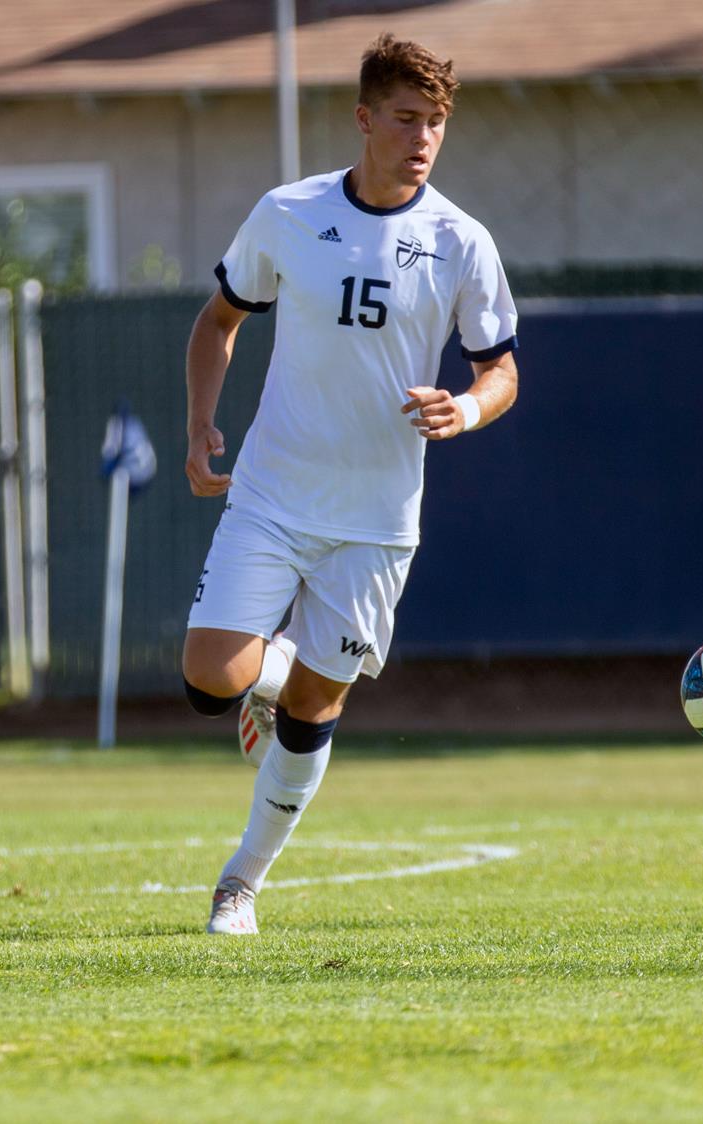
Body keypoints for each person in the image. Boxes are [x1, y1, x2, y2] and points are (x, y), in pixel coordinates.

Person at [178, 32, 521, 935]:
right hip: (273, 493)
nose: (422, 138)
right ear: (364, 119)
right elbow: (217, 322)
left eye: (436, 122)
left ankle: (240, 885)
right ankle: (269, 673)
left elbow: (501, 370)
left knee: (311, 709)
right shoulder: (288, 213)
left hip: (376, 519)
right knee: (210, 681)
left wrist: (466, 408)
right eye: (406, 119)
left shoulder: (460, 241)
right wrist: (200, 422)